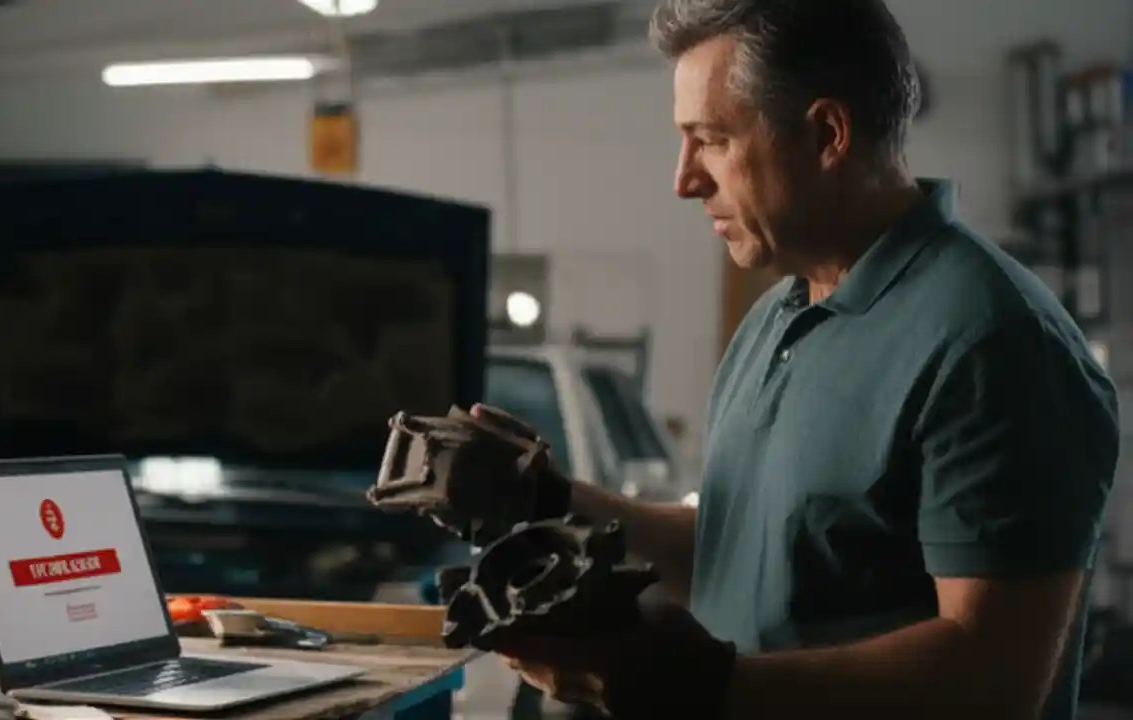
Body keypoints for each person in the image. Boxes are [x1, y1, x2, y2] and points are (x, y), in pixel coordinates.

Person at [467, 1, 1122, 718]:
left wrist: (703, 688)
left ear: (825, 134)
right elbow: (739, 548)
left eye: (710, 140)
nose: (684, 180)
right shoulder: (779, 314)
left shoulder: (992, 340)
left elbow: (993, 678)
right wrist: (551, 497)